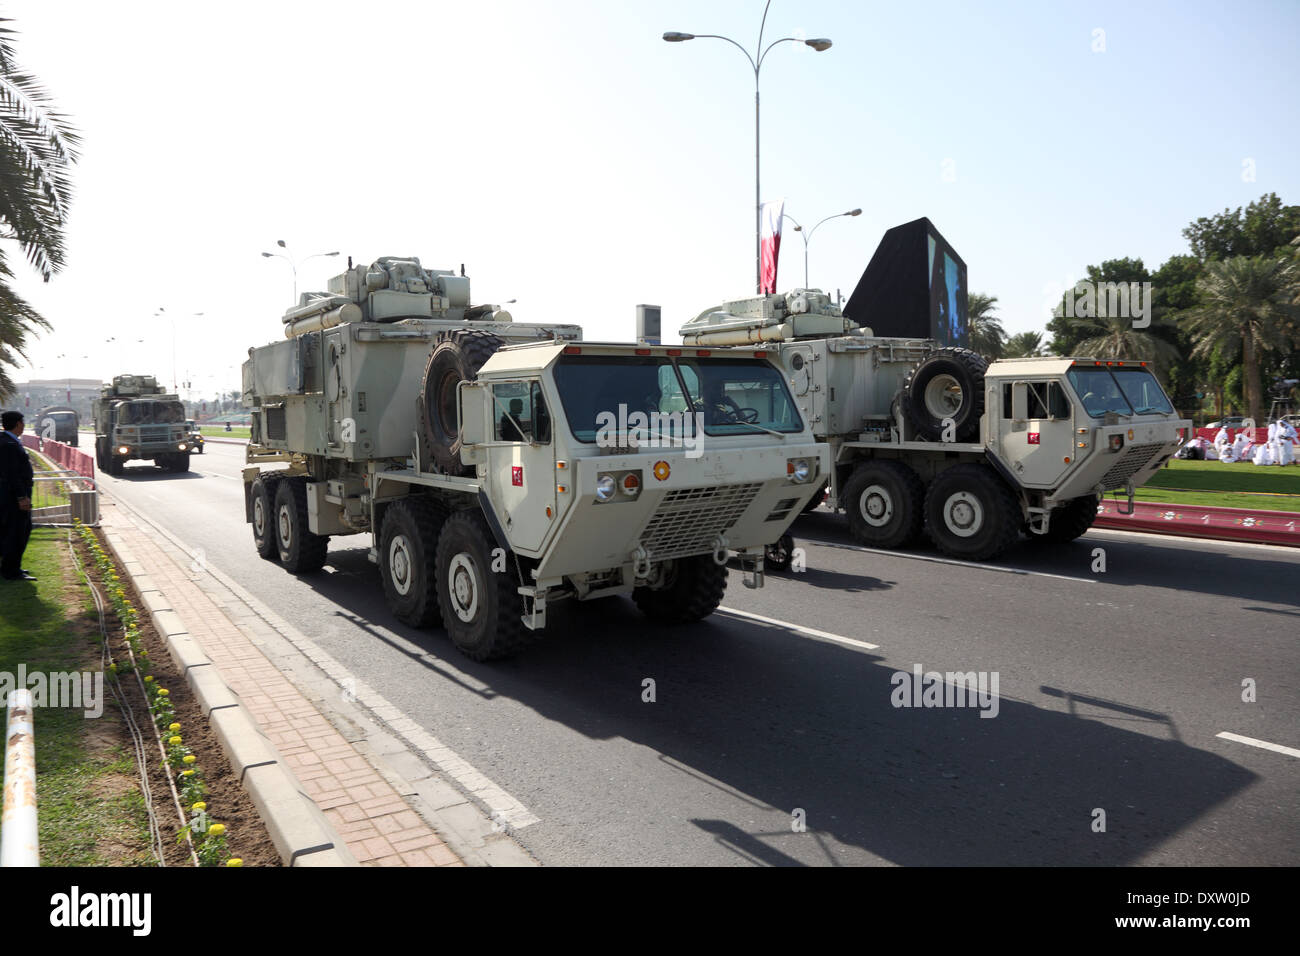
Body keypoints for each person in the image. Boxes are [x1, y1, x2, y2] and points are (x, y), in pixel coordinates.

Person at [1, 410, 36, 581]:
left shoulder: (7, 441)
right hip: (14, 497)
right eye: (22, 422)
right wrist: (22, 497)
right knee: (17, 532)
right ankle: (11, 570)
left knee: (13, 531)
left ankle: (11, 567)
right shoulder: (9, 444)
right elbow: (12, 474)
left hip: (10, 495)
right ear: (18, 424)